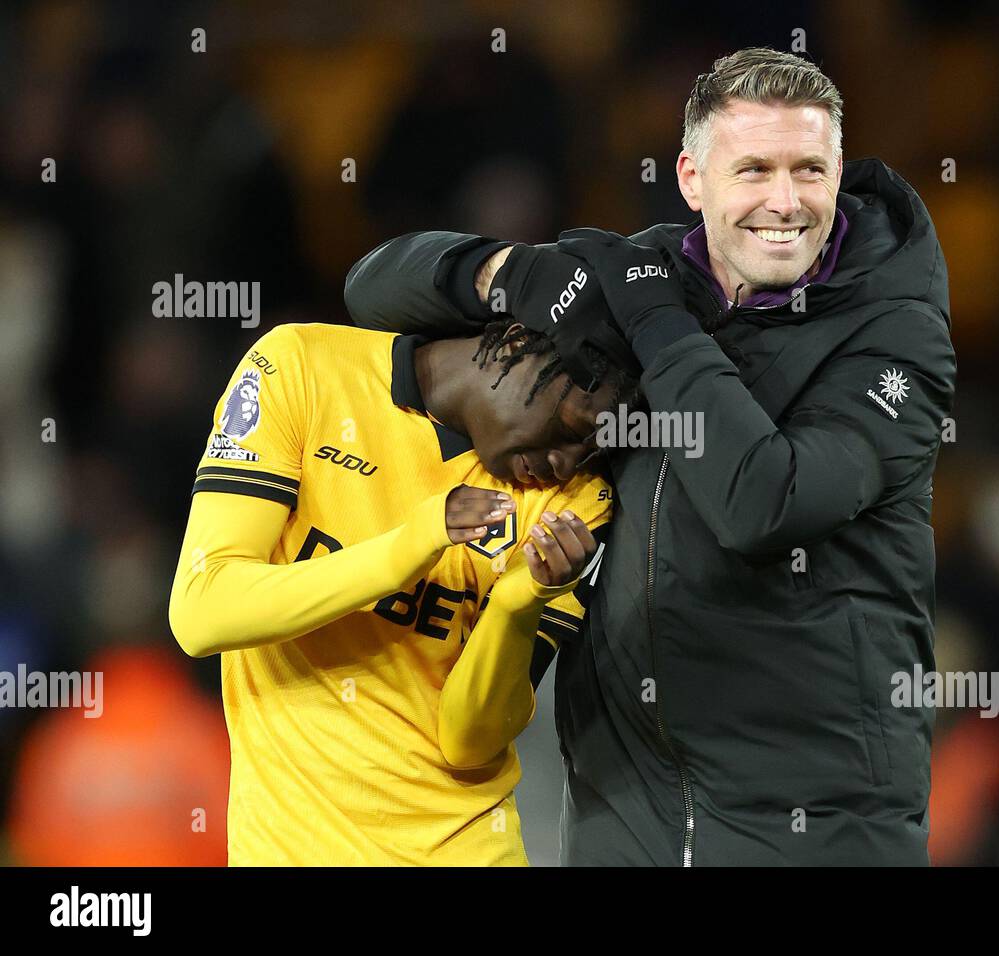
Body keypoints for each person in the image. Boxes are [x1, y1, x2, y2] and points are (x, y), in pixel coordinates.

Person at [344, 47, 956, 865]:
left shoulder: (896, 335)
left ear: (839, 171)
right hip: (622, 804)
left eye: (809, 169)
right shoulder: (644, 274)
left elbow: (765, 501)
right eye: (754, 170)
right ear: (692, 179)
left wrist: (656, 322)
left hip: (819, 816)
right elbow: (371, 286)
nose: (785, 201)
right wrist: (515, 275)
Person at [168, 315, 636, 865]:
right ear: (516, 343)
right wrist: (410, 547)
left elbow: (468, 742)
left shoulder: (575, 504)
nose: (565, 462)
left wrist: (518, 602)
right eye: (570, 426)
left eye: (588, 450)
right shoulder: (303, 364)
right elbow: (203, 611)